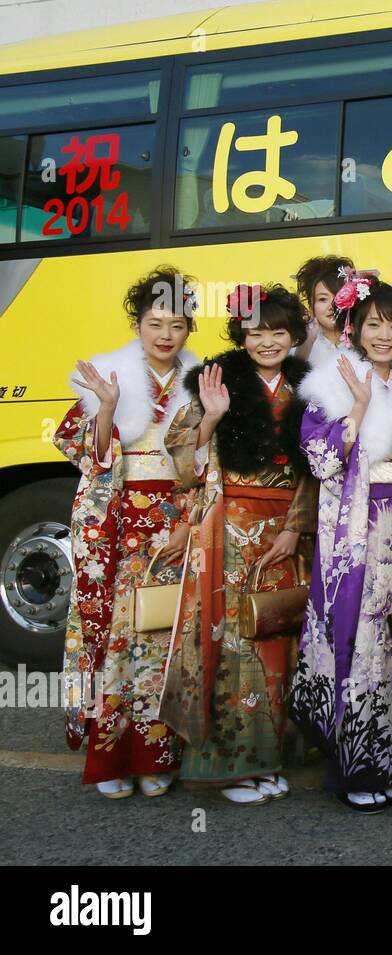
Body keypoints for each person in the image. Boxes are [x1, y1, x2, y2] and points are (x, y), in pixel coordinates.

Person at [161, 283, 316, 805]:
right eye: (256, 332)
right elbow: (182, 460)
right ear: (241, 336)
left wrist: (296, 526)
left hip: (286, 529)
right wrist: (210, 416)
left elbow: (314, 470)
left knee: (279, 639)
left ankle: (270, 759)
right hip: (231, 528)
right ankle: (232, 763)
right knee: (236, 644)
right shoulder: (219, 380)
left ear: (295, 335)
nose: (267, 342)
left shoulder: (309, 388)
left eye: (277, 331)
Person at [56, 266, 200, 799]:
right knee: (119, 639)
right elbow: (85, 455)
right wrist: (108, 410)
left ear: (189, 331)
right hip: (120, 524)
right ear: (137, 323)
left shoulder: (200, 379)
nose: (166, 334)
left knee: (165, 640)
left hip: (177, 520)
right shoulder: (107, 375)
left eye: (178, 325)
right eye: (155, 322)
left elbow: (208, 463)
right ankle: (112, 755)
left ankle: (156, 754)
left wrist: (189, 519)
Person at [290, 275, 392, 812]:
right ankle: (358, 769)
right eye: (373, 324)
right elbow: (320, 459)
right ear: (356, 330)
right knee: (361, 641)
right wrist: (360, 409)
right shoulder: (332, 381)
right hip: (359, 530)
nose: (384, 334)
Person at [293, 254, 355, 366]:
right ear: (311, 305)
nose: (332, 306)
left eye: (340, 297)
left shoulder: (366, 340)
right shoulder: (299, 346)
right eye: (323, 299)